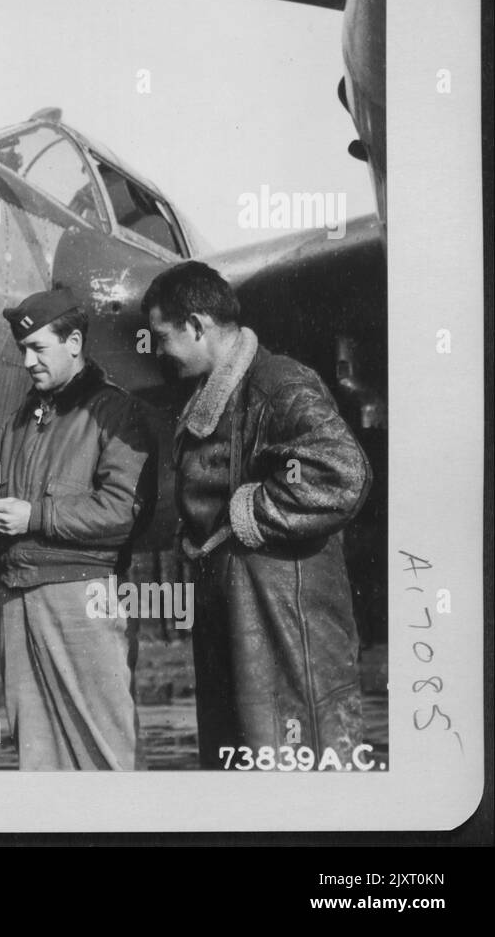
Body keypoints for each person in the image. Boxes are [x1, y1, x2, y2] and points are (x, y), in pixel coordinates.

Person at [141, 261, 370, 769]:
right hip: (243, 613)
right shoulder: (211, 393)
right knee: (245, 771)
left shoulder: (279, 384)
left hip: (285, 620)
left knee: (300, 772)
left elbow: (343, 473)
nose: (158, 353)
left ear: (197, 326)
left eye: (162, 337)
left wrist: (251, 511)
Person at [0, 287, 155, 771]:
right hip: (17, 600)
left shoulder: (114, 412)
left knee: (102, 752)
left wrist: (34, 516)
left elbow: (123, 511)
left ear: (74, 342)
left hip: (81, 598)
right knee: (36, 758)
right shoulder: (17, 423)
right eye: (22, 350)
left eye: (38, 348)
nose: (27, 361)